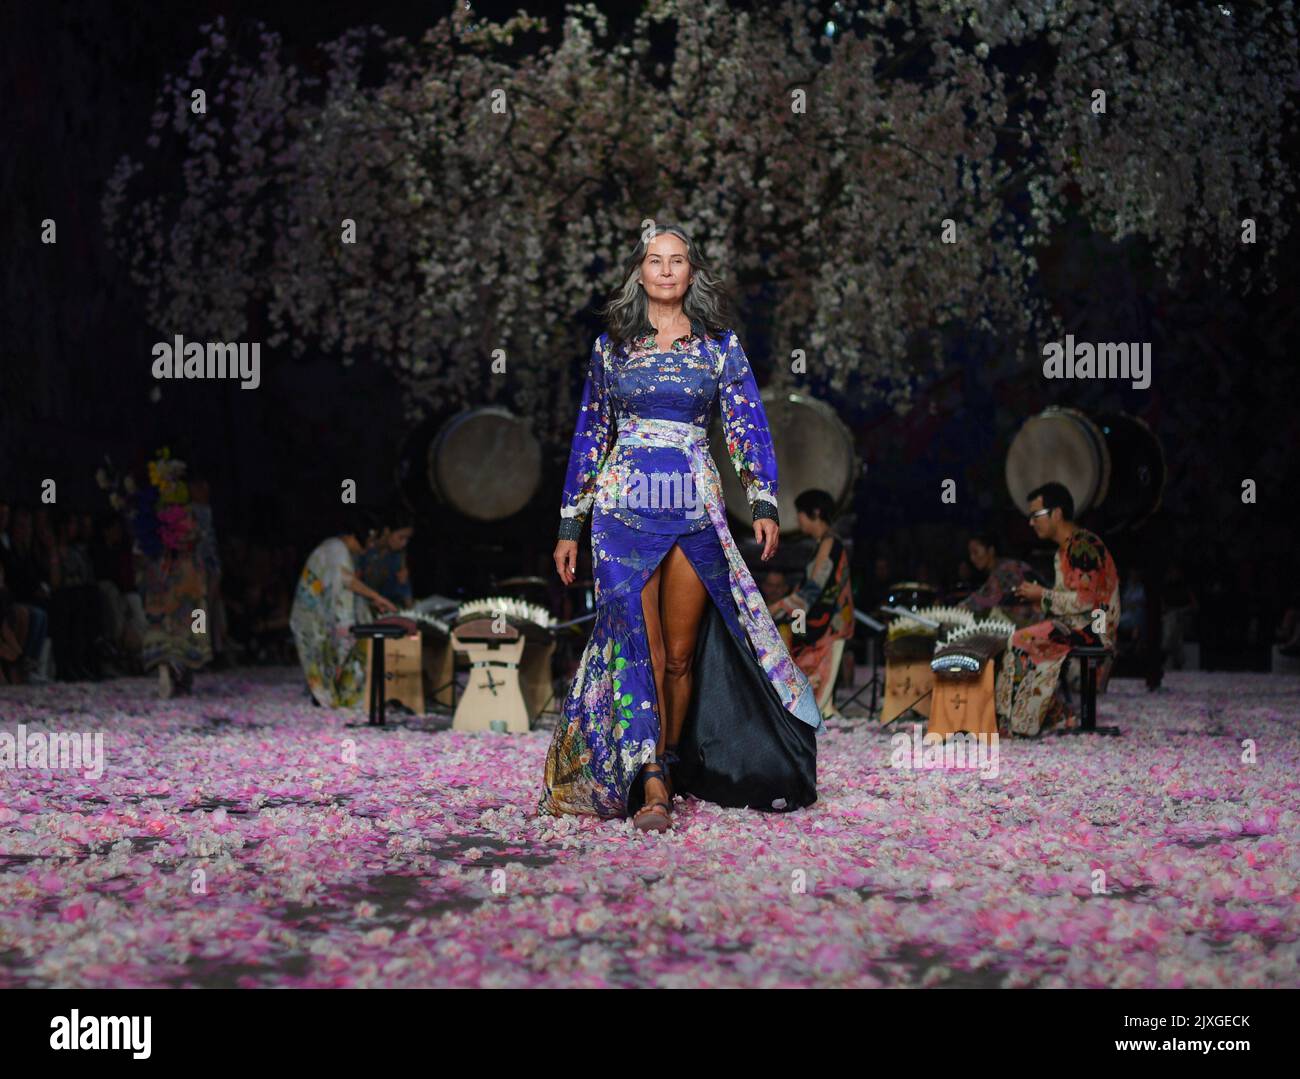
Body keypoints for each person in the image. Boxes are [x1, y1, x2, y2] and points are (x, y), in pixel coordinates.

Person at [539, 224, 823, 831]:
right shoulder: (611, 349)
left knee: (679, 656)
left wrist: (765, 502)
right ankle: (650, 785)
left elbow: (746, 422)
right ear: (638, 272)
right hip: (621, 509)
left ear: (691, 273)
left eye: (677, 261)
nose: (666, 270)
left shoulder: (720, 347)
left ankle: (666, 759)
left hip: (694, 506)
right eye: (654, 260)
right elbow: (591, 433)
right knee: (636, 646)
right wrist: (570, 521)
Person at [995, 482, 1120, 736]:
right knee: (1019, 636)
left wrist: (1042, 594)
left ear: (1057, 513)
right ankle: (1032, 717)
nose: (1031, 523)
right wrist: (1038, 600)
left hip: (1095, 624)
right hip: (1079, 622)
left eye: (1036, 516)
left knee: (1022, 640)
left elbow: (1085, 601)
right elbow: (1067, 599)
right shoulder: (1064, 551)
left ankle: (1023, 722)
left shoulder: (1083, 545)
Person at [289, 508, 397, 708]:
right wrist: (376, 597)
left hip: (315, 614)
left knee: (328, 659)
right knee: (328, 656)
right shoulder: (336, 549)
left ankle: (333, 695)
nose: (371, 546)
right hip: (312, 617)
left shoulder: (337, 548)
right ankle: (333, 696)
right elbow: (346, 580)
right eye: (371, 540)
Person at [768, 489, 854, 712]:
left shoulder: (830, 543)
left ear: (815, 513)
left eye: (800, 513)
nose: (798, 519)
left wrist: (777, 607)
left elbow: (813, 590)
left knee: (782, 628)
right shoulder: (824, 543)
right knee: (782, 625)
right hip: (816, 614)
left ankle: (791, 697)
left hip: (825, 620)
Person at [960, 532, 1038, 625]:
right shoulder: (1003, 567)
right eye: (970, 554)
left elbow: (985, 596)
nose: (972, 558)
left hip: (1033, 622)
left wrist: (958, 608)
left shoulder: (1007, 569)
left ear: (991, 551)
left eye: (976, 552)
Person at [355, 507, 415, 609]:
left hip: (384, 607)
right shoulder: (365, 546)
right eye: (401, 537)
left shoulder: (397, 555)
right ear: (387, 531)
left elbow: (405, 593)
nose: (404, 543)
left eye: (407, 539)